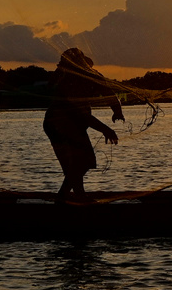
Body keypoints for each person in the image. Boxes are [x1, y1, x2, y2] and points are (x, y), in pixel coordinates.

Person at [44, 48, 123, 201]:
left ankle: (67, 196)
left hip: (71, 125)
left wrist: (117, 111)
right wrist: (106, 129)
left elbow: (109, 94)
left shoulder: (92, 75)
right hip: (58, 125)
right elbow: (82, 115)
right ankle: (72, 196)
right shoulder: (67, 81)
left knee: (80, 163)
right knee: (80, 162)